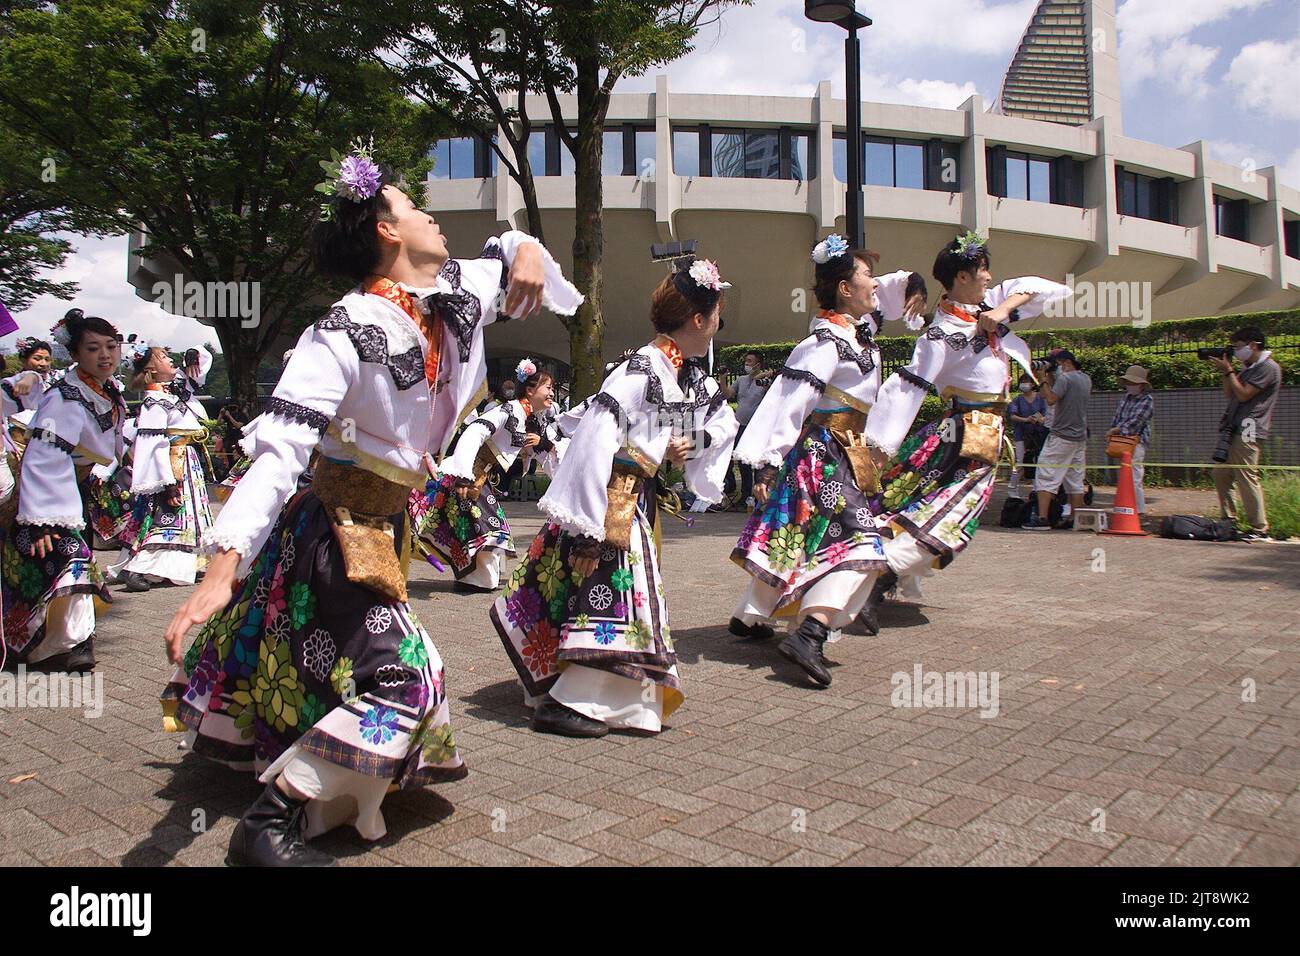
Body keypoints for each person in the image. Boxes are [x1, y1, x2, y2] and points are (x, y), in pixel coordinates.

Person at [161, 138, 581, 866]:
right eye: (414, 207)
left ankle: (311, 782)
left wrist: (528, 250)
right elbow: (281, 451)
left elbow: (505, 245)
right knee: (407, 682)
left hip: (388, 528)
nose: (431, 216)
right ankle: (271, 820)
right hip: (333, 533)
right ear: (387, 231)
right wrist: (221, 567)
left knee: (364, 672)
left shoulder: (449, 292)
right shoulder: (339, 332)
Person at [491, 255, 738, 737]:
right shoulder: (641, 369)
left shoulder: (684, 373)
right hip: (611, 500)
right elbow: (597, 434)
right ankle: (570, 701)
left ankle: (588, 693)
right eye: (716, 317)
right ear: (697, 319)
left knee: (611, 595)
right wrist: (587, 516)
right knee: (613, 593)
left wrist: (690, 444)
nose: (716, 327)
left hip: (634, 498)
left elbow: (717, 423)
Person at [730, 235, 927, 685]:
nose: (875, 284)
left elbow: (893, 290)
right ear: (844, 288)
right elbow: (789, 402)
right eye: (865, 277)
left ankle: (751, 615)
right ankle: (811, 632)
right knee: (863, 545)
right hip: (824, 454)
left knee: (799, 534)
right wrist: (766, 461)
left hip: (848, 452)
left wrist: (915, 283)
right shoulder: (824, 343)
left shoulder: (860, 330)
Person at [864, 232, 1071, 619]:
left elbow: (1042, 287)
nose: (989, 278)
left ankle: (885, 573)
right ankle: (882, 570)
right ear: (961, 277)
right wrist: (877, 447)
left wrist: (1003, 309)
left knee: (933, 508)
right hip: (969, 432)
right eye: (982, 271)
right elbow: (907, 388)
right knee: (956, 514)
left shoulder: (988, 309)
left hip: (981, 431)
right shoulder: (941, 334)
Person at [1, 310, 125, 673]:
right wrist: (42, 519)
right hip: (49, 498)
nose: (105, 355)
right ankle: (68, 644)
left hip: (78, 489)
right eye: (93, 348)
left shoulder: (104, 389)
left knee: (76, 560)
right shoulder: (65, 396)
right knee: (71, 557)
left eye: (111, 346)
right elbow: (43, 456)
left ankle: (68, 642)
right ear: (75, 355)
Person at [411, 359, 555, 591]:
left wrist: (547, 448)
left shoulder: (533, 422)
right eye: (548, 388)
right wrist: (464, 475)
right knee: (489, 529)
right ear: (530, 390)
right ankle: (475, 579)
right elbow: (474, 431)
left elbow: (545, 455)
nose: (552, 394)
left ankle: (476, 578)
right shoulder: (508, 411)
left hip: (479, 481)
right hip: (462, 479)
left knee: (491, 532)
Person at [108, 343, 215, 591]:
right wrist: (168, 482)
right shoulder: (154, 401)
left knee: (173, 518)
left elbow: (198, 369)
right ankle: (140, 568)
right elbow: (152, 445)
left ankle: (166, 565)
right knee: (165, 518)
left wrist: (194, 354)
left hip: (186, 460)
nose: (171, 359)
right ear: (151, 370)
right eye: (164, 357)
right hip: (173, 465)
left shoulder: (170, 393)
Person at [1208, 326, 1282, 540]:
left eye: (1238, 346)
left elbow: (1243, 395)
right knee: (1221, 474)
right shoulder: (1248, 367)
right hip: (1233, 428)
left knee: (1246, 477)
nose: (1236, 351)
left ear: (1253, 345)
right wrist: (1226, 371)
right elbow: (1229, 392)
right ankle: (1228, 521)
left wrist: (1230, 371)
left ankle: (1260, 528)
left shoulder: (1268, 368)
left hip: (1250, 428)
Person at [1025, 348, 1091, 530]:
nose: (1054, 369)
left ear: (1065, 363)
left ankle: (1042, 518)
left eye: (1055, 365)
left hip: (1061, 435)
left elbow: (1051, 399)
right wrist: (1049, 378)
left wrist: (1043, 379)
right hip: (1079, 436)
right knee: (1075, 479)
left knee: (1046, 475)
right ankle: (1075, 519)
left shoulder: (1066, 378)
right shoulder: (1085, 379)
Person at [720, 351, 773, 508]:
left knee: (756, 461)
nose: (747, 364)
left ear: (758, 364)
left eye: (750, 361)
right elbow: (728, 393)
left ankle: (758, 497)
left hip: (756, 427)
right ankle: (745, 495)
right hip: (740, 425)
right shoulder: (741, 380)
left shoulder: (765, 380)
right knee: (742, 461)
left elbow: (772, 396)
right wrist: (723, 379)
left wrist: (765, 379)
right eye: (746, 361)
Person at [1107, 364, 1154, 516]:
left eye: (1133, 383)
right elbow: (1117, 417)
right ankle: (1127, 506)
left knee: (1135, 475)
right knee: (1125, 476)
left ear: (1141, 385)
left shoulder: (1147, 400)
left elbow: (1137, 421)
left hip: (1137, 441)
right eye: (1128, 383)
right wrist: (1115, 430)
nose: (1130, 386)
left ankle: (1139, 510)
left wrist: (1117, 429)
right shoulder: (1125, 398)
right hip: (1122, 441)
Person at [1006, 372, 1047, 499]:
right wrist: (1026, 420)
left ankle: (1036, 489)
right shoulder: (1017, 400)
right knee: (1020, 463)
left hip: (1038, 435)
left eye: (1027, 381)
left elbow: (1047, 414)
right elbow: (1012, 415)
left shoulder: (1041, 398)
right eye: (1022, 381)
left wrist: (1039, 420)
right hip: (1021, 436)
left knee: (1038, 461)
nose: (1025, 384)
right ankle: (1012, 489)